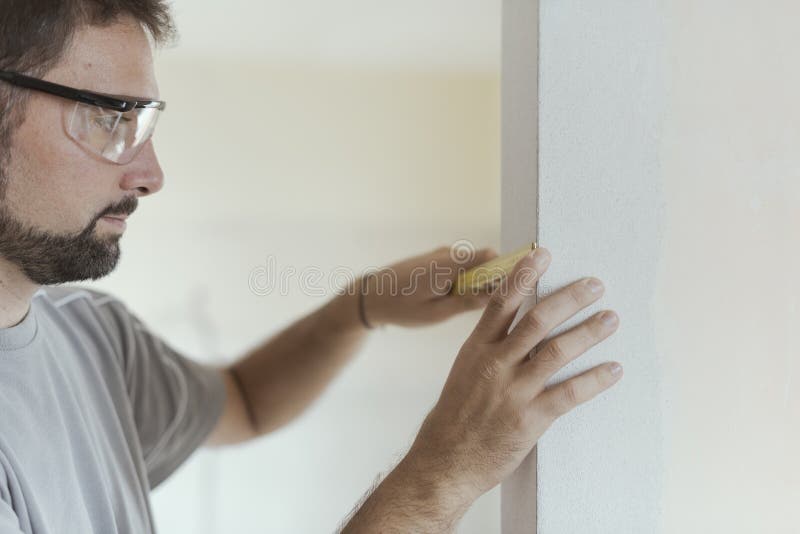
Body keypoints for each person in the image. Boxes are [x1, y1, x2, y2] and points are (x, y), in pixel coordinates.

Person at [0, 2, 623, 532]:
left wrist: (361, 306)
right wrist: (443, 475)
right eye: (109, 117)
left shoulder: (93, 338)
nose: (150, 175)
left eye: (142, 122)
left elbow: (245, 401)